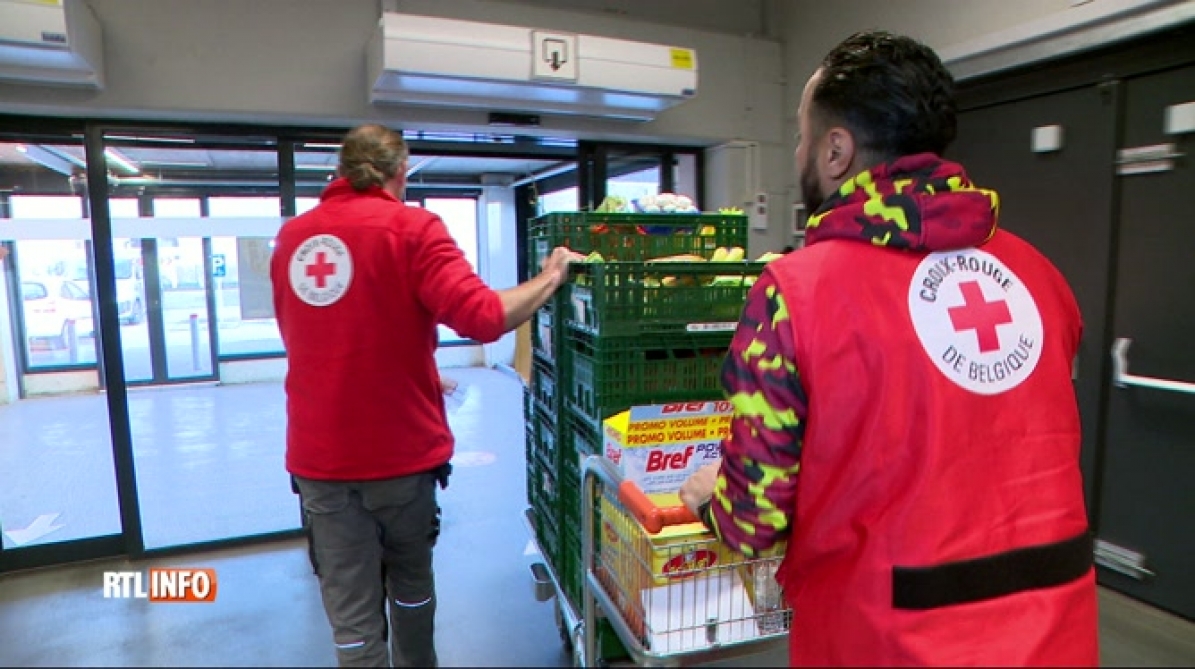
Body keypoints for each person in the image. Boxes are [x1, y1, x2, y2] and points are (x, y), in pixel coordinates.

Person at [679, 31, 1097, 666]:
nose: (799, 153)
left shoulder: (796, 293)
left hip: (884, 639)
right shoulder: (1040, 276)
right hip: (1053, 633)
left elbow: (753, 522)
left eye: (802, 137)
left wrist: (711, 496)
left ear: (836, 149)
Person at [271, 123, 578, 668]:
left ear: (341, 171)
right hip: (401, 462)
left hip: (322, 466)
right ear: (401, 172)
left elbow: (322, 340)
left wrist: (413, 371)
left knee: (351, 618)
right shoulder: (412, 230)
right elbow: (484, 318)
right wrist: (549, 277)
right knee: (411, 592)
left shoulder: (293, 242)